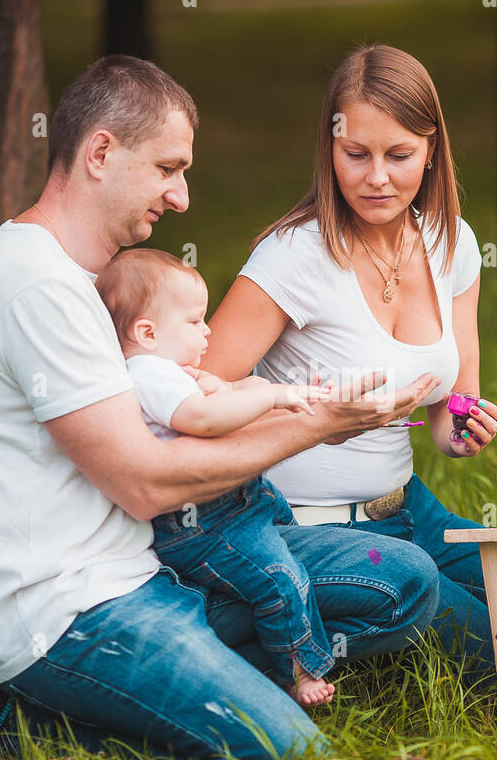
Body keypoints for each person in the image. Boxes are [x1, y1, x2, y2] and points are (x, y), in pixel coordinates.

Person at [0, 55, 444, 760]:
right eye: (169, 168)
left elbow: (174, 433)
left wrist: (319, 411)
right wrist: (323, 422)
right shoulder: (31, 287)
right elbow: (146, 484)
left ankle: (195, 693)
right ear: (101, 153)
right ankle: (34, 731)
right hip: (70, 617)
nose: (182, 197)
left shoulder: (77, 284)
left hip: (156, 566)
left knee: (404, 582)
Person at [202, 45, 497, 670]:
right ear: (329, 148)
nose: (376, 178)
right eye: (355, 155)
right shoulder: (294, 257)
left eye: (399, 156)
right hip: (312, 527)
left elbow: (452, 412)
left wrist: (464, 430)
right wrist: (312, 419)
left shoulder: (453, 244)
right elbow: (193, 393)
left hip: (407, 505)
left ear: (432, 151)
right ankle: (251, 631)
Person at [94, 247, 337, 705]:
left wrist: (250, 388)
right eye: (194, 321)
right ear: (146, 332)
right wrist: (274, 397)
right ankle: (299, 671)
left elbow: (219, 398)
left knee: (283, 553)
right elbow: (204, 419)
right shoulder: (147, 372)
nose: (208, 331)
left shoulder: (167, 371)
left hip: (234, 503)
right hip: (202, 521)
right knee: (281, 579)